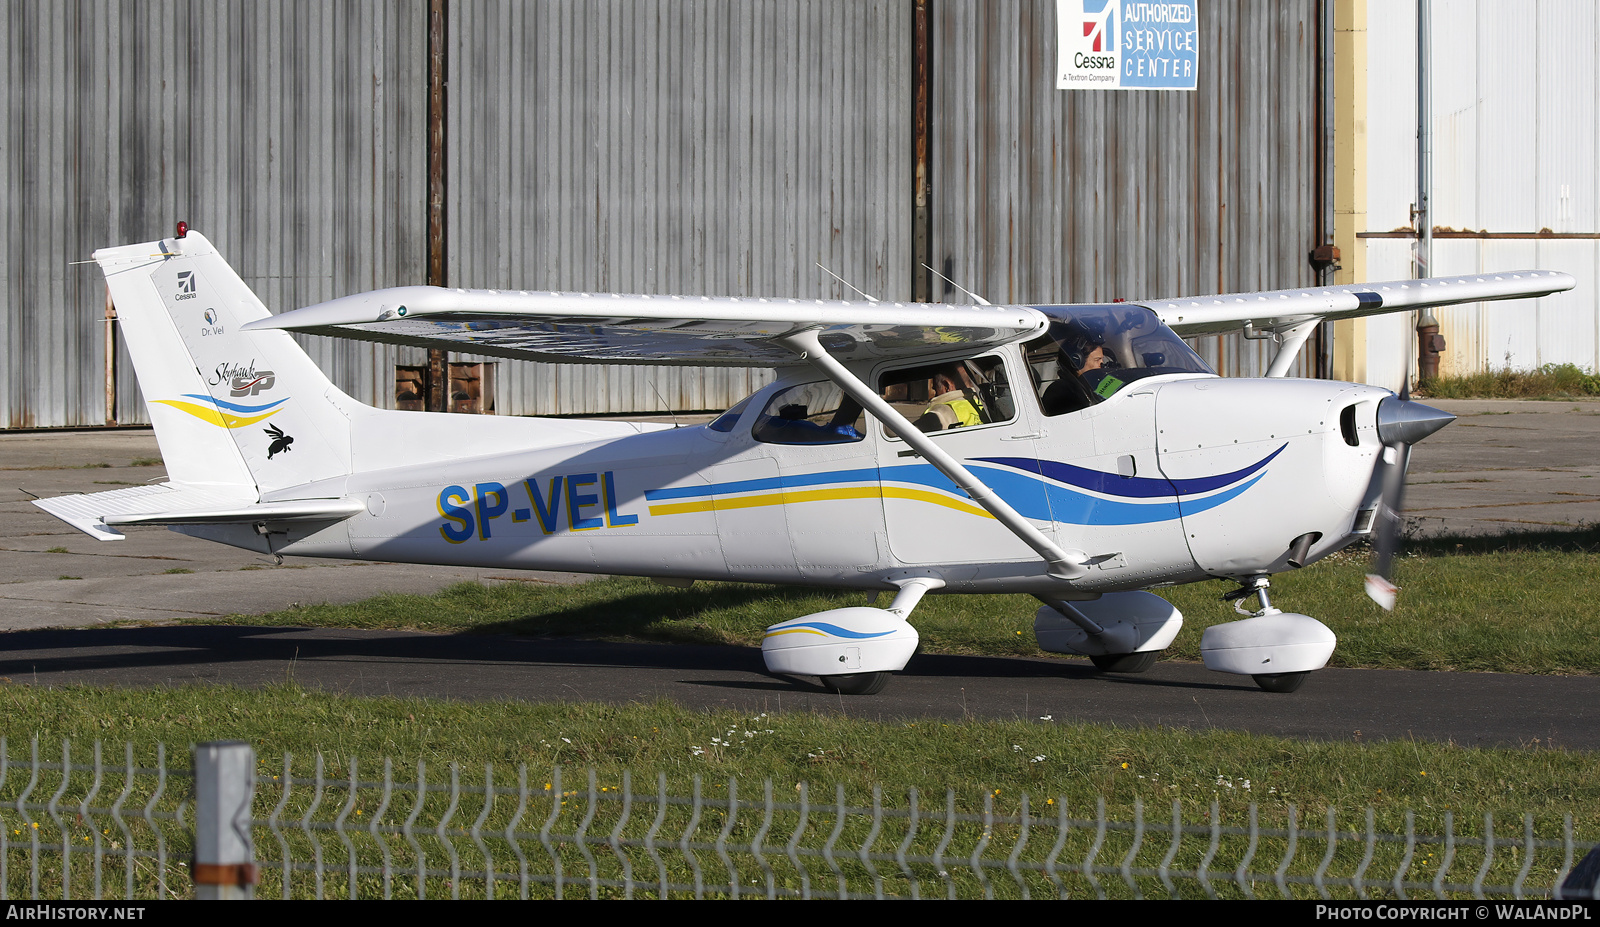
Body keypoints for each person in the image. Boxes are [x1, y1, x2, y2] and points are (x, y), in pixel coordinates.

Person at [914, 364, 984, 432]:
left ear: (946, 386)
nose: (934, 395)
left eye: (935, 389)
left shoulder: (940, 413)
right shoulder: (984, 405)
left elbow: (909, 435)